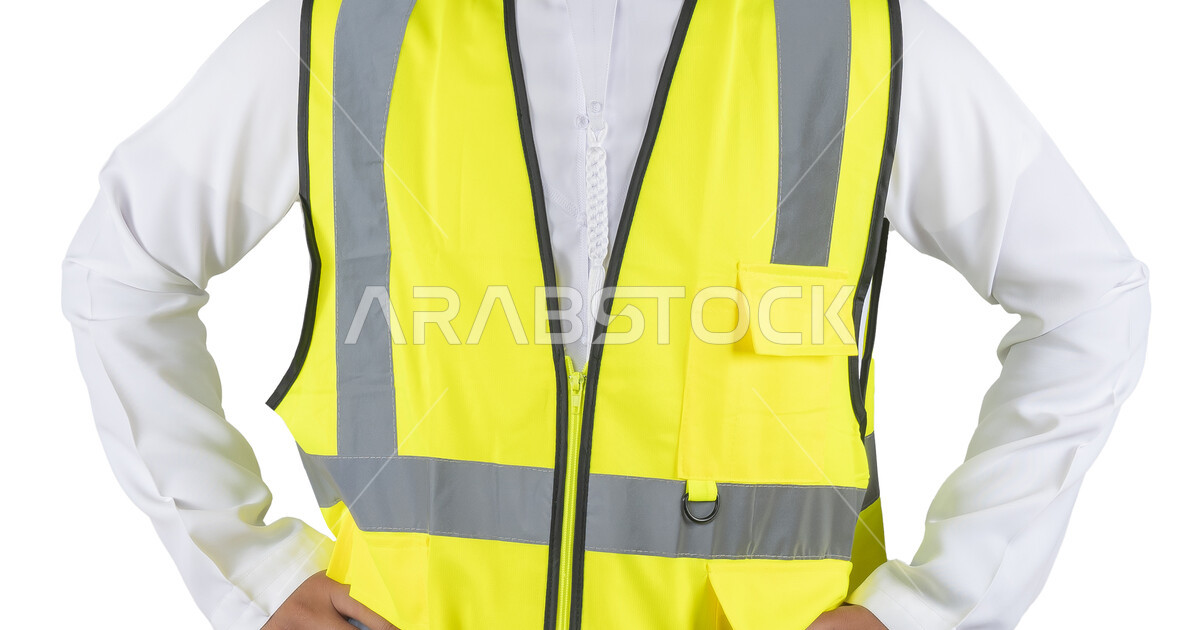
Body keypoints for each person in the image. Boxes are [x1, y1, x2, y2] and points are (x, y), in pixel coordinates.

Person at [62, 0, 1149, 629]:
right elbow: (120, 274)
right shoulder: (350, 32)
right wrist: (248, 575)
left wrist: (935, 608)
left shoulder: (852, 38)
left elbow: (1091, 301)